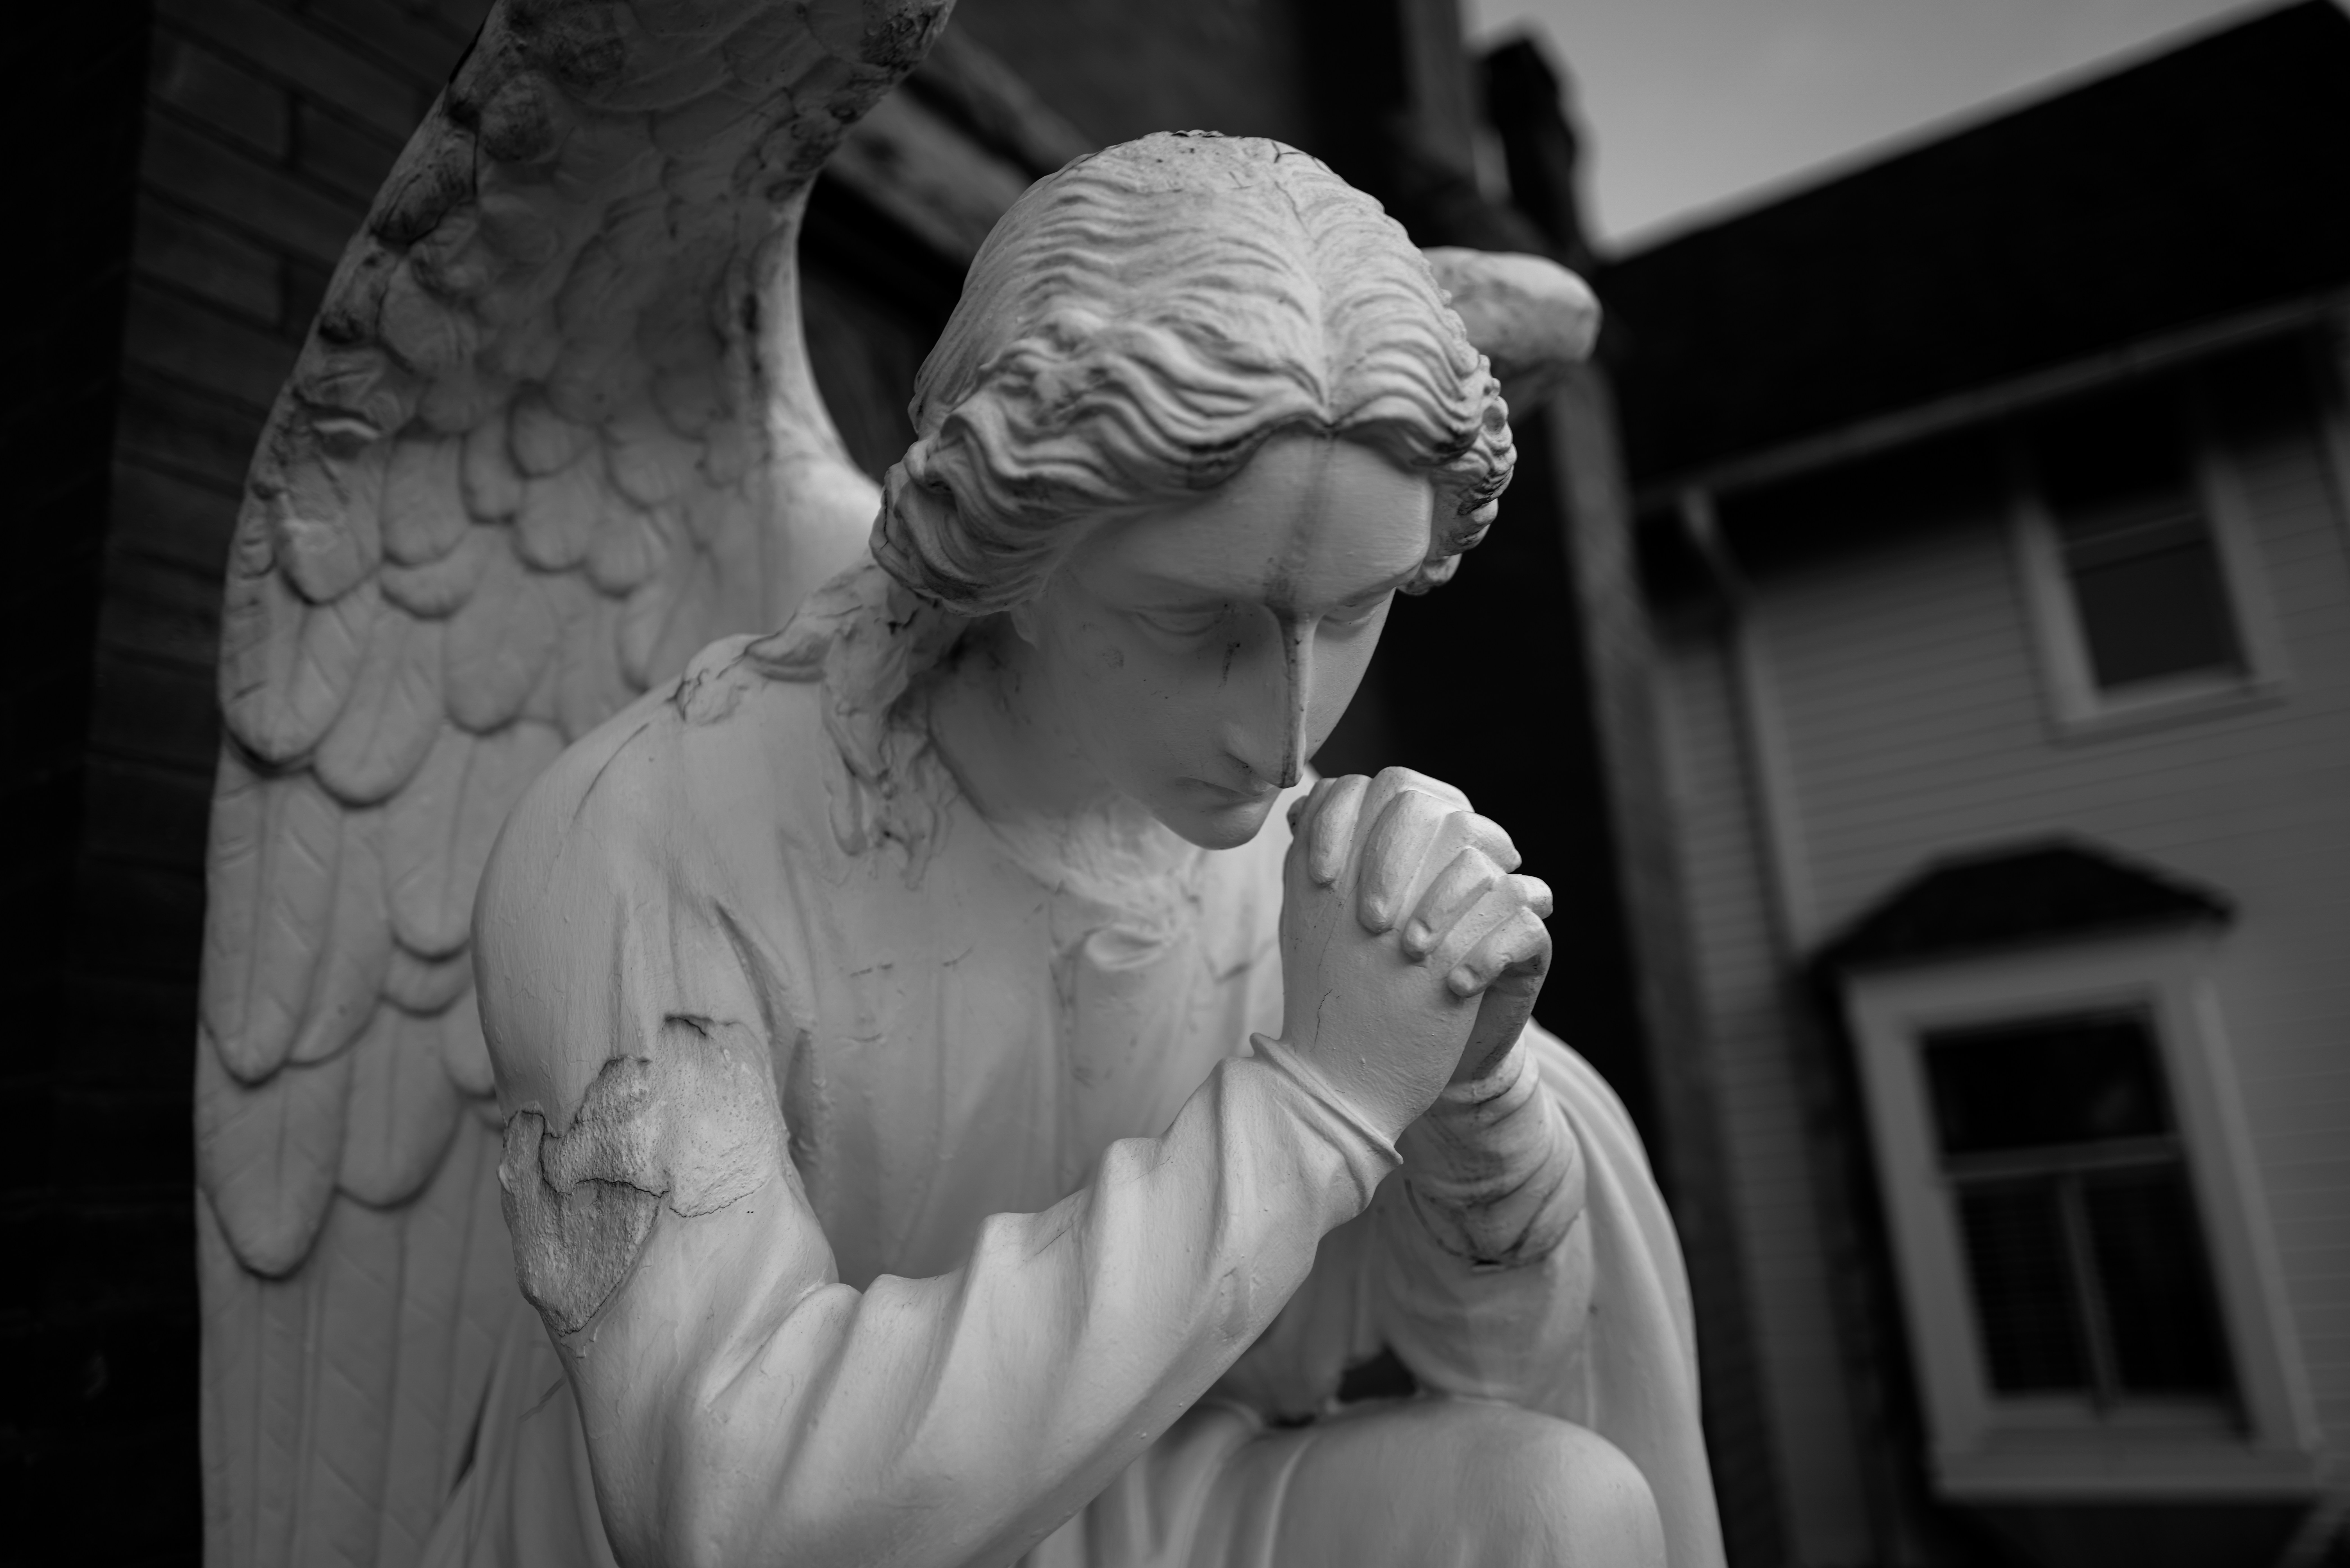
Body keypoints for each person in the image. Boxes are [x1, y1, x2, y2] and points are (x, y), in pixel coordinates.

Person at [458, 132, 1723, 1568]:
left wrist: (1469, 1099)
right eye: (1201, 625)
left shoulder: (1287, 859)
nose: (1286, 725)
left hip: (1145, 1492)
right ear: (1019, 551)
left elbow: (1487, 1366)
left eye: (1359, 609)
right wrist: (1314, 1108)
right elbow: (728, 1507)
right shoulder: (659, 829)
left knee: (1561, 1510)